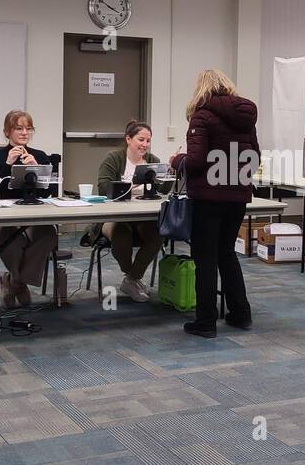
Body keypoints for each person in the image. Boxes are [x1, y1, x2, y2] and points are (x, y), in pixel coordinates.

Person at [169, 70, 259, 338]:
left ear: (202, 88)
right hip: (237, 197)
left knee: (205, 259)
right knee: (227, 254)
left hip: (208, 199)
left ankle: (206, 321)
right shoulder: (246, 118)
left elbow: (195, 162)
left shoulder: (202, 116)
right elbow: (255, 157)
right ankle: (240, 314)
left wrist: (177, 161)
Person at [0, 110, 59, 307]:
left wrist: (37, 168)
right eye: (19, 128)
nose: (24, 133)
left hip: (33, 218)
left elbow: (49, 193)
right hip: (4, 220)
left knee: (49, 234)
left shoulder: (40, 156)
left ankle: (16, 282)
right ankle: (19, 284)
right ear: (7, 132)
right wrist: (8, 165)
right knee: (9, 238)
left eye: (28, 128)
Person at [92, 120, 162, 302]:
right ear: (128, 139)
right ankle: (133, 277)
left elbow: (161, 190)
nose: (145, 145)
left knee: (158, 235)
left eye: (148, 141)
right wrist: (134, 186)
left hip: (144, 217)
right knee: (122, 233)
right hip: (114, 216)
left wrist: (170, 172)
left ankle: (131, 279)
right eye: (141, 140)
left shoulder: (153, 161)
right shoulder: (114, 158)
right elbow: (104, 188)